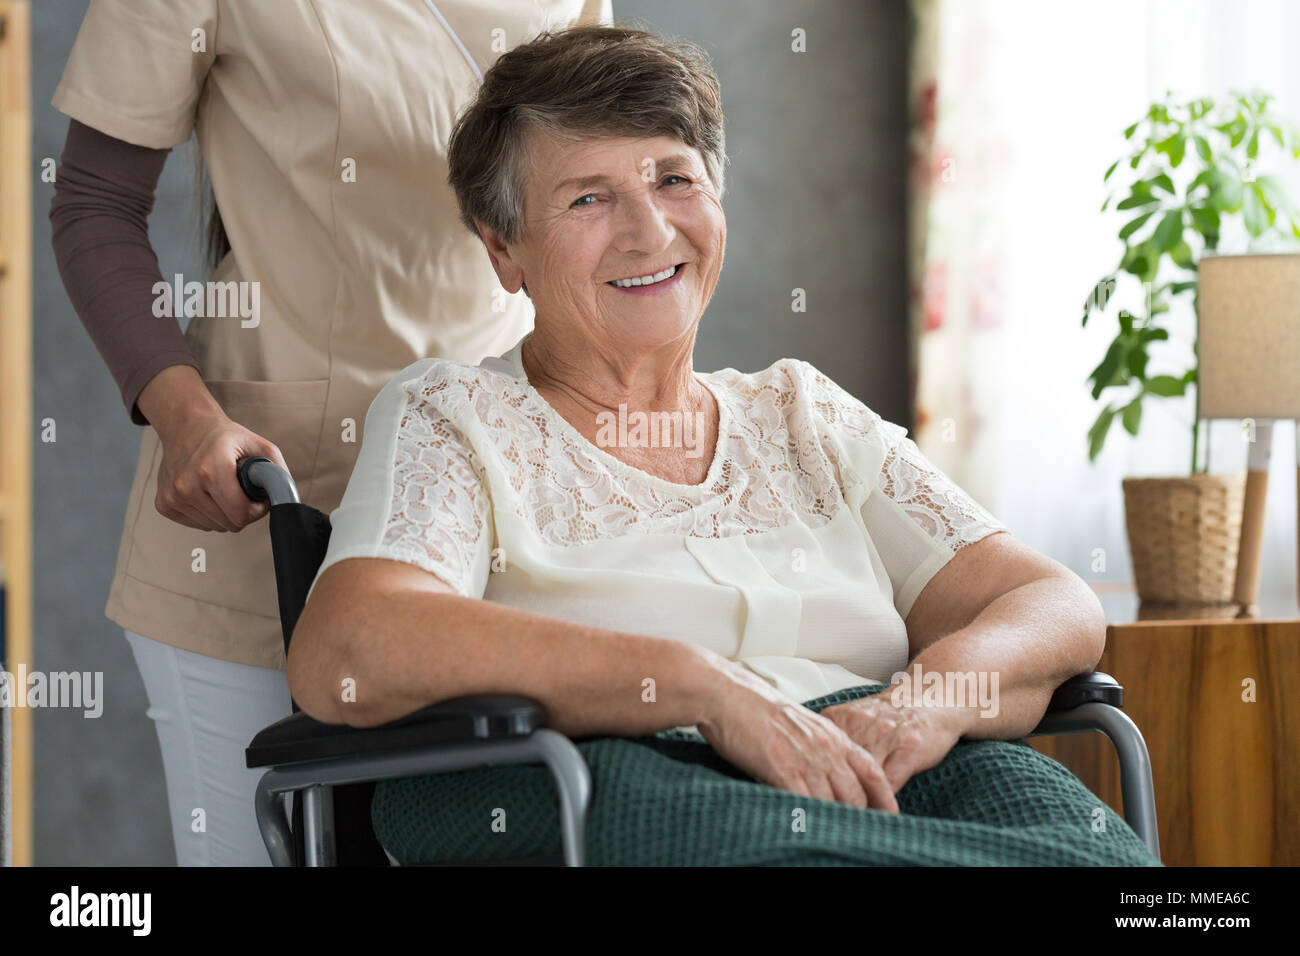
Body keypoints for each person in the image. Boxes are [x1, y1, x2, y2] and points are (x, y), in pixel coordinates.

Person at [288, 26, 1153, 866]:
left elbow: (1052, 603)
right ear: (503, 248)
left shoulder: (801, 413)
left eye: (674, 178)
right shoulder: (455, 413)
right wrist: (700, 686)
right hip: (614, 776)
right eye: (588, 197)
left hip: (876, 763)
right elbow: (351, 648)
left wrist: (925, 703)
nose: (649, 232)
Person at [49, 0, 611, 866]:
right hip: (270, 505)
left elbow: (597, 193)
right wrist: (187, 420)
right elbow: (93, 204)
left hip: (502, 501)